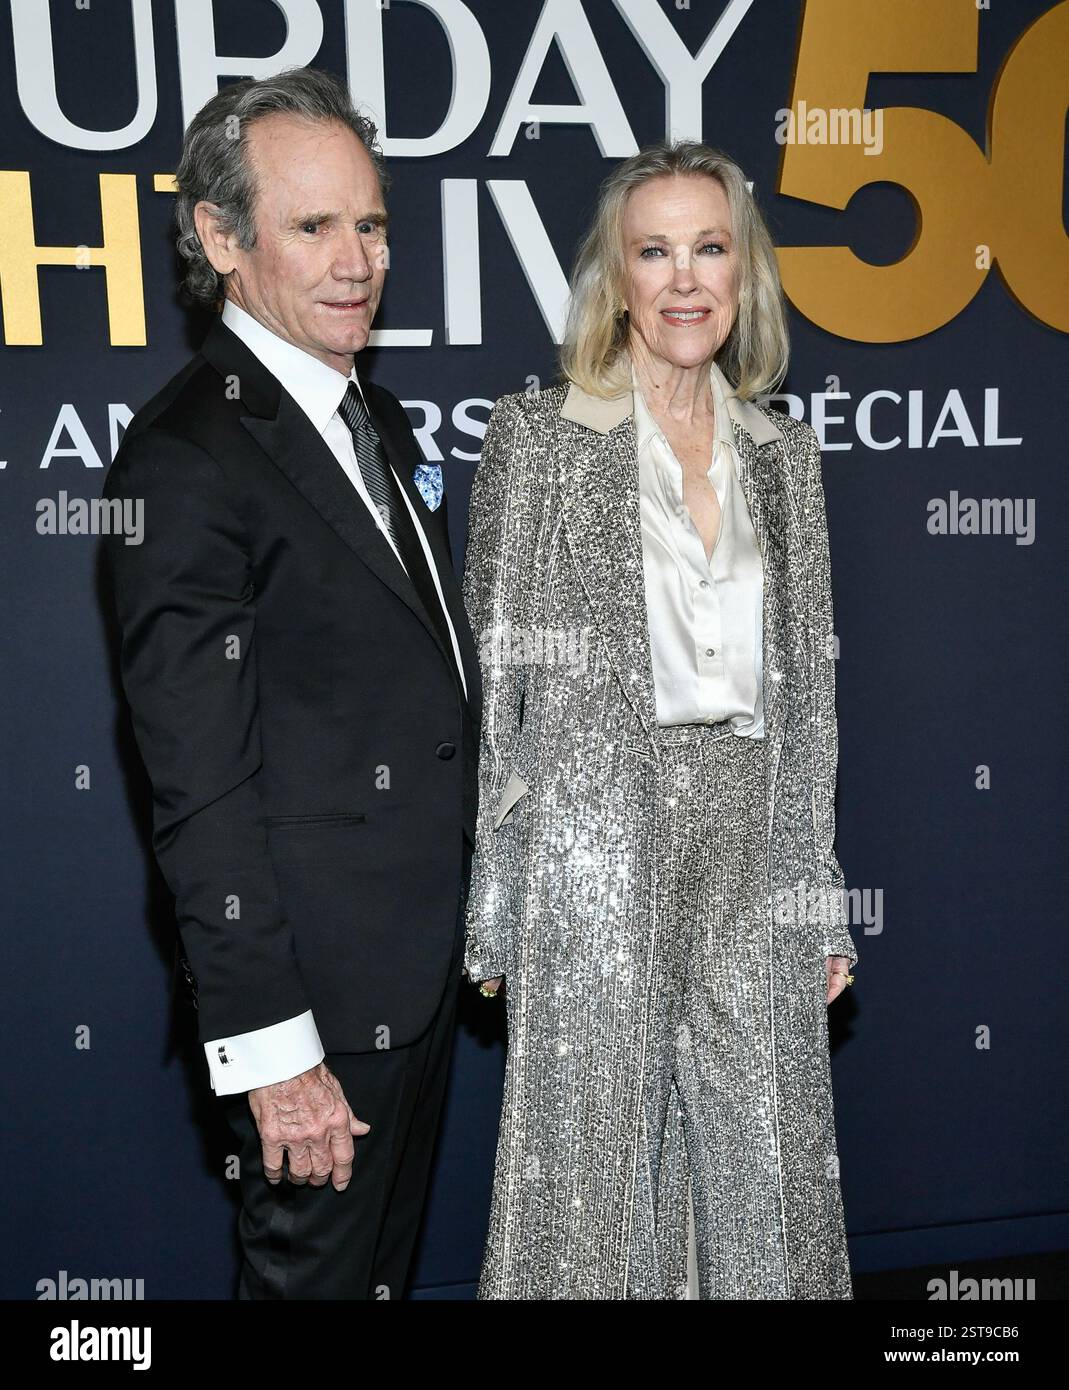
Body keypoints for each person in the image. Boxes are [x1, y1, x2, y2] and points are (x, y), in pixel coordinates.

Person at [102, 67, 480, 1300]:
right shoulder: (186, 461)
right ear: (220, 239)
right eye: (312, 226)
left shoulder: (372, 414)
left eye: (369, 223)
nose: (355, 259)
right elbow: (198, 791)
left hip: (411, 977)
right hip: (313, 1008)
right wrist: (274, 1053)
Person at [463, 140, 858, 1299]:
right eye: (654, 251)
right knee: (587, 1189)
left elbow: (812, 704)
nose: (683, 280)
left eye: (709, 249)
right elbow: (505, 692)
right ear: (616, 278)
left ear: (744, 274)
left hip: (748, 844)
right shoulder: (536, 442)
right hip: (594, 849)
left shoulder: (784, 458)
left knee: (769, 1168)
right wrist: (498, 900)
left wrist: (813, 884)